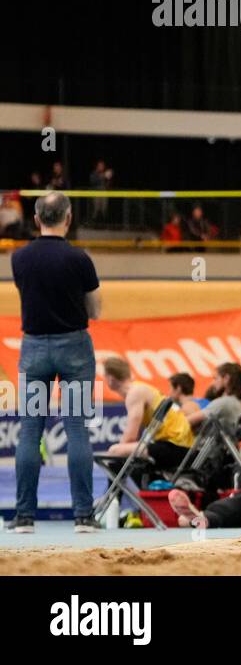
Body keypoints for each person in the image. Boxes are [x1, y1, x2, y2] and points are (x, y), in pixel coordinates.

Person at [8, 191, 101, 533]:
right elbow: (95, 310)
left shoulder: (19, 258)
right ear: (69, 217)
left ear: (35, 219)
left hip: (34, 349)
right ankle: (83, 517)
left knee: (30, 431)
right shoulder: (80, 259)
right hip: (74, 346)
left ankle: (24, 518)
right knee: (76, 428)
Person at [102, 356, 194, 470]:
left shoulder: (134, 393)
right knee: (125, 453)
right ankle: (125, 487)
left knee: (114, 452)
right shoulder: (141, 388)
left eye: (104, 377)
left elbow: (131, 436)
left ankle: (116, 488)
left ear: (110, 379)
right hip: (179, 446)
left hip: (176, 448)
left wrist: (114, 452)